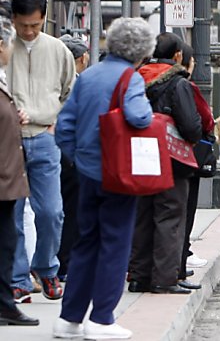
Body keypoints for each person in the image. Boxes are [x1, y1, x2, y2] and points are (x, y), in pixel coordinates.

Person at [53, 18, 155, 340]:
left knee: (86, 242)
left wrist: (80, 158)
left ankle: (69, 319)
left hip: (87, 173)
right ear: (140, 51)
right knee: (115, 243)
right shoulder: (131, 78)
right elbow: (139, 116)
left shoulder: (89, 75)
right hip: (117, 174)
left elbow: (65, 127)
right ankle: (101, 318)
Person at [8, 0, 75, 304]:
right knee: (13, 213)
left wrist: (54, 121)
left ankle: (46, 268)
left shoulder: (57, 49)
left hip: (45, 140)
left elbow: (68, 92)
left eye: (35, 25)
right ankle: (19, 279)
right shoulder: (6, 48)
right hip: (8, 141)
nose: (29, 31)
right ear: (14, 21)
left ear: (44, 18)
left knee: (52, 212)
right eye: (23, 25)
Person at [128, 33, 203, 295]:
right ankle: (164, 278)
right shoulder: (177, 82)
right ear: (178, 56)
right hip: (171, 159)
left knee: (143, 214)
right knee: (170, 215)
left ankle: (138, 276)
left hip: (140, 155)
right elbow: (192, 127)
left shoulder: (136, 77)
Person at [0, 10, 36, 327]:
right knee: (6, 243)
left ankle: (5, 302)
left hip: (8, 180)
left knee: (8, 242)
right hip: (3, 180)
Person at [176, 44, 215, 285]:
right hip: (184, 158)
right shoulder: (185, 86)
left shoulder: (145, 79)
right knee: (182, 212)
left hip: (151, 158)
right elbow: (205, 120)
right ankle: (177, 266)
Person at [56, 36, 89, 281]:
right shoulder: (76, 84)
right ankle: (64, 263)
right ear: (80, 59)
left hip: (60, 153)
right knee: (70, 211)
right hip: (69, 156)